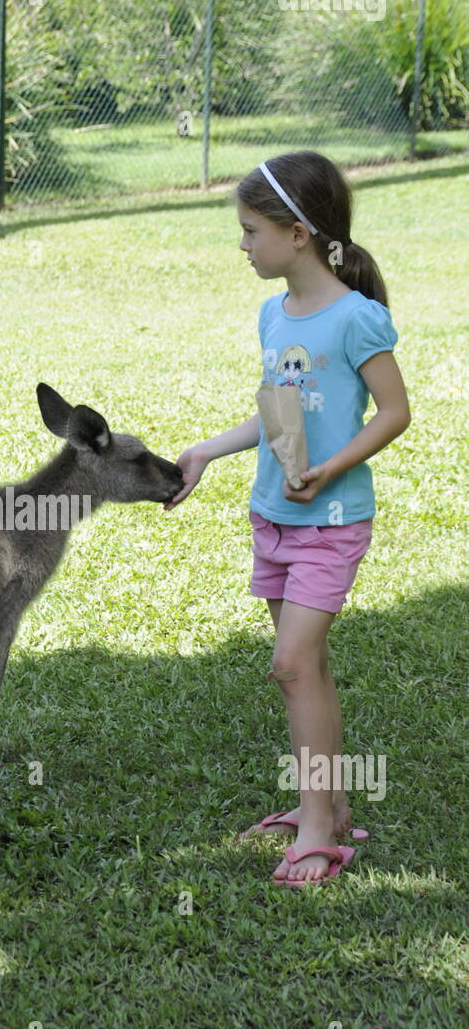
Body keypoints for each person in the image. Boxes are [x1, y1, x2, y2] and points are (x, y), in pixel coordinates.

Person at [165, 150, 411, 886]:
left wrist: (330, 468)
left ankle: (316, 830)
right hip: (271, 516)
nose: (241, 245)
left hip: (330, 522)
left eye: (248, 231)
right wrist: (206, 451)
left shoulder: (357, 319)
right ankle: (328, 811)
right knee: (309, 670)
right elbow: (276, 412)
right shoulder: (274, 312)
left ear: (297, 233)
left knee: (290, 665)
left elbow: (394, 414)